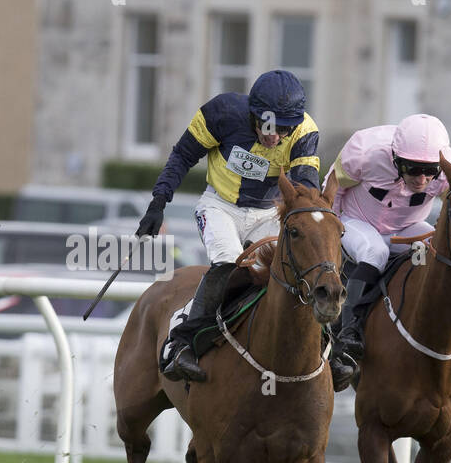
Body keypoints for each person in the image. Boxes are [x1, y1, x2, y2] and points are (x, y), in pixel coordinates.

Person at [137, 70, 322, 382]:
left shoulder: (305, 132)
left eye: (284, 129)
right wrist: (159, 202)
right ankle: (181, 342)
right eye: (268, 126)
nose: (274, 137)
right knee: (228, 263)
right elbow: (182, 155)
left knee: (289, 270)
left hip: (267, 214)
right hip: (220, 206)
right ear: (253, 115)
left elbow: (304, 190)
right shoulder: (221, 113)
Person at [323, 113, 451, 389]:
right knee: (375, 253)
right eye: (412, 169)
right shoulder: (364, 152)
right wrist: (331, 231)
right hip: (356, 221)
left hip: (406, 226)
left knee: (450, 250)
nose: (422, 178)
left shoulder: (447, 166)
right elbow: (331, 189)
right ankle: (349, 336)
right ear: (395, 158)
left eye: (429, 171)